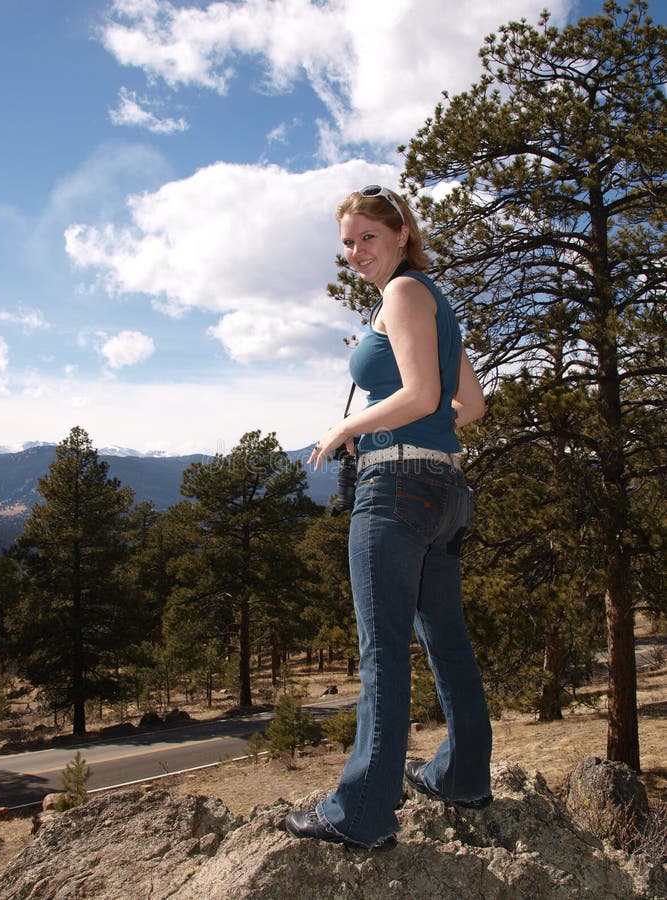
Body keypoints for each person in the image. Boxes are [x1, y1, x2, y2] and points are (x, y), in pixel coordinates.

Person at [285, 184, 492, 851]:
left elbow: (423, 393)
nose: (355, 252)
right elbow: (472, 405)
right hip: (444, 489)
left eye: (367, 237)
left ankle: (361, 813)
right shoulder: (433, 301)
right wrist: (423, 431)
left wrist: (351, 425)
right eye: (346, 242)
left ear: (402, 232)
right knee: (445, 642)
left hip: (398, 487)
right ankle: (462, 776)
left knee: (381, 652)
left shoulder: (404, 295)